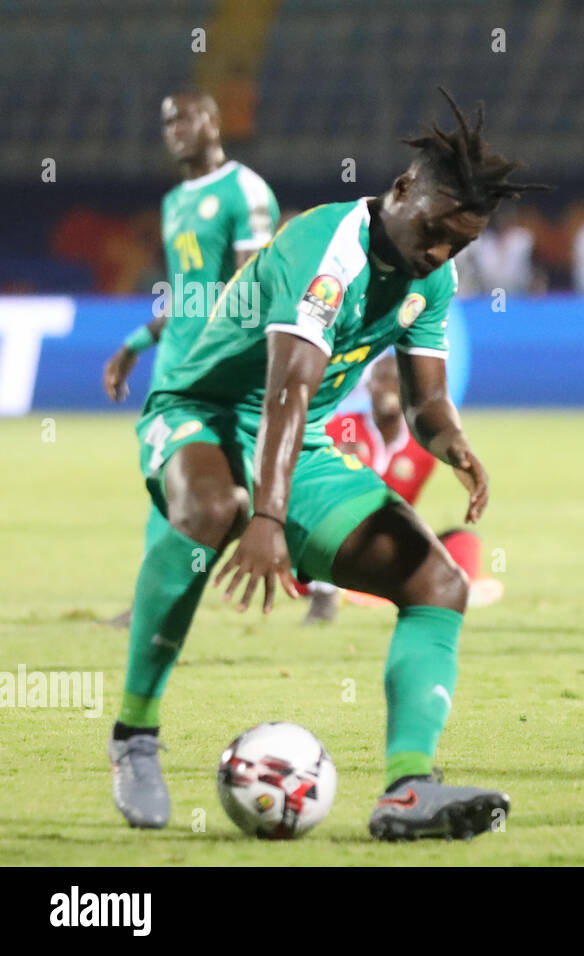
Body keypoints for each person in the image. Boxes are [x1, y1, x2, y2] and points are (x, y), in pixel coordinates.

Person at [107, 89, 547, 840]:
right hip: (200, 412)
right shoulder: (327, 246)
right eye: (439, 231)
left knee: (438, 582)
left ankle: (409, 789)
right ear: (404, 191)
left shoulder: (428, 279)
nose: (442, 253)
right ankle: (135, 735)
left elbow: (425, 403)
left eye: (461, 246)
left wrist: (455, 446)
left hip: (295, 441)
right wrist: (269, 517)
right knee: (214, 512)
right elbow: (289, 387)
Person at [102, 91, 279, 628]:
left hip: (220, 376)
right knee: (168, 483)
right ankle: (150, 601)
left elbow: (256, 289)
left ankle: (316, 577)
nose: (176, 128)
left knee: (236, 489)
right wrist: (135, 343)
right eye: (167, 121)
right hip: (174, 369)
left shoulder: (244, 191)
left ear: (215, 121)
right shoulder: (174, 201)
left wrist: (241, 361)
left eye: (186, 117)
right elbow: (187, 292)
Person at [302, 351, 505, 623]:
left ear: (409, 388)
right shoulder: (346, 427)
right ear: (369, 386)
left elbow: (404, 507)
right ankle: (357, 590)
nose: (388, 389)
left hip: (389, 541)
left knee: (462, 539)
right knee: (301, 556)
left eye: (396, 381)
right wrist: (339, 458)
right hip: (340, 539)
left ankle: (459, 585)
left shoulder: (419, 448)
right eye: (381, 380)